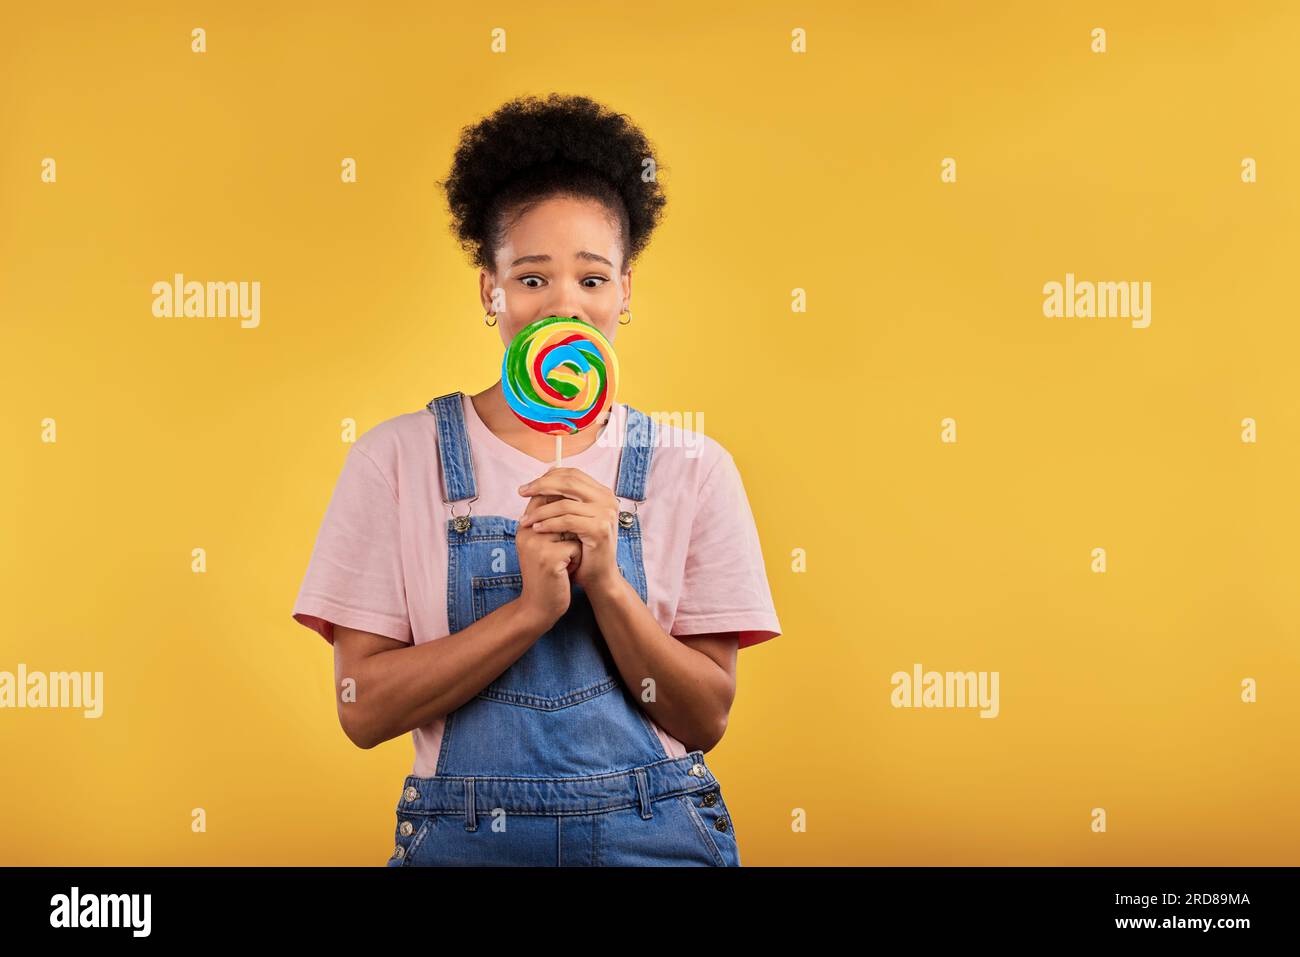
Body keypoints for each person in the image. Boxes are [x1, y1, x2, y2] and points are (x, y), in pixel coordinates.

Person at [291, 93, 782, 866]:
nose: (565, 304)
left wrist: (610, 587)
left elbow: (706, 715)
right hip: (463, 840)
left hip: (653, 836)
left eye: (592, 279)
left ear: (626, 290)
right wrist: (529, 611)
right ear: (490, 290)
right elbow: (363, 709)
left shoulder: (695, 468)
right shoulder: (395, 459)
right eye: (531, 278)